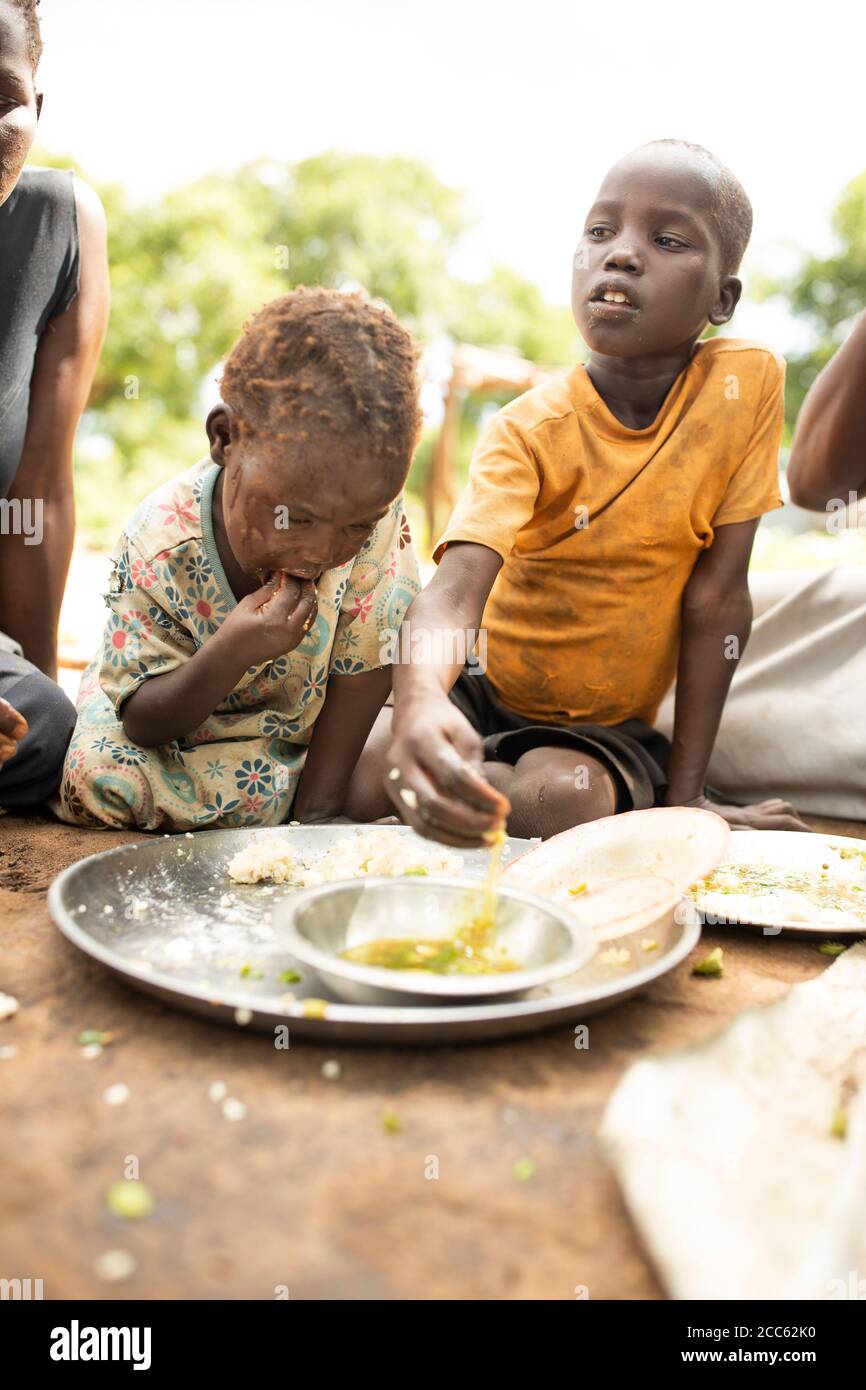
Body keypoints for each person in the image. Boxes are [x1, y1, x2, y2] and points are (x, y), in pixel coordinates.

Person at [376, 139, 808, 846]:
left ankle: (474, 792)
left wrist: (688, 797)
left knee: (563, 802)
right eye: (600, 232)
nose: (622, 254)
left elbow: (719, 599)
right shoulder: (530, 428)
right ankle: (452, 764)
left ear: (722, 297)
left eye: (667, 240)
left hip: (595, 729)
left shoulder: (742, 389)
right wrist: (421, 701)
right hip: (478, 688)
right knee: (368, 771)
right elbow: (455, 590)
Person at [58, 288, 422, 831]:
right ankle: (287, 805)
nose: (323, 552)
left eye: (356, 525)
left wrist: (319, 816)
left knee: (396, 765)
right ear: (225, 438)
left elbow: (364, 673)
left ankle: (304, 804)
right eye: (295, 518)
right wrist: (231, 652)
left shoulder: (380, 525)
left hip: (316, 739)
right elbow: (142, 721)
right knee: (99, 773)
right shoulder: (160, 541)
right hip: (184, 741)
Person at [0, 0, 109, 810]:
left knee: (43, 731)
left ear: (37, 105)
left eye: (0, 94)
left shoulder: (58, 225)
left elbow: (38, 488)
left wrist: (34, 687)